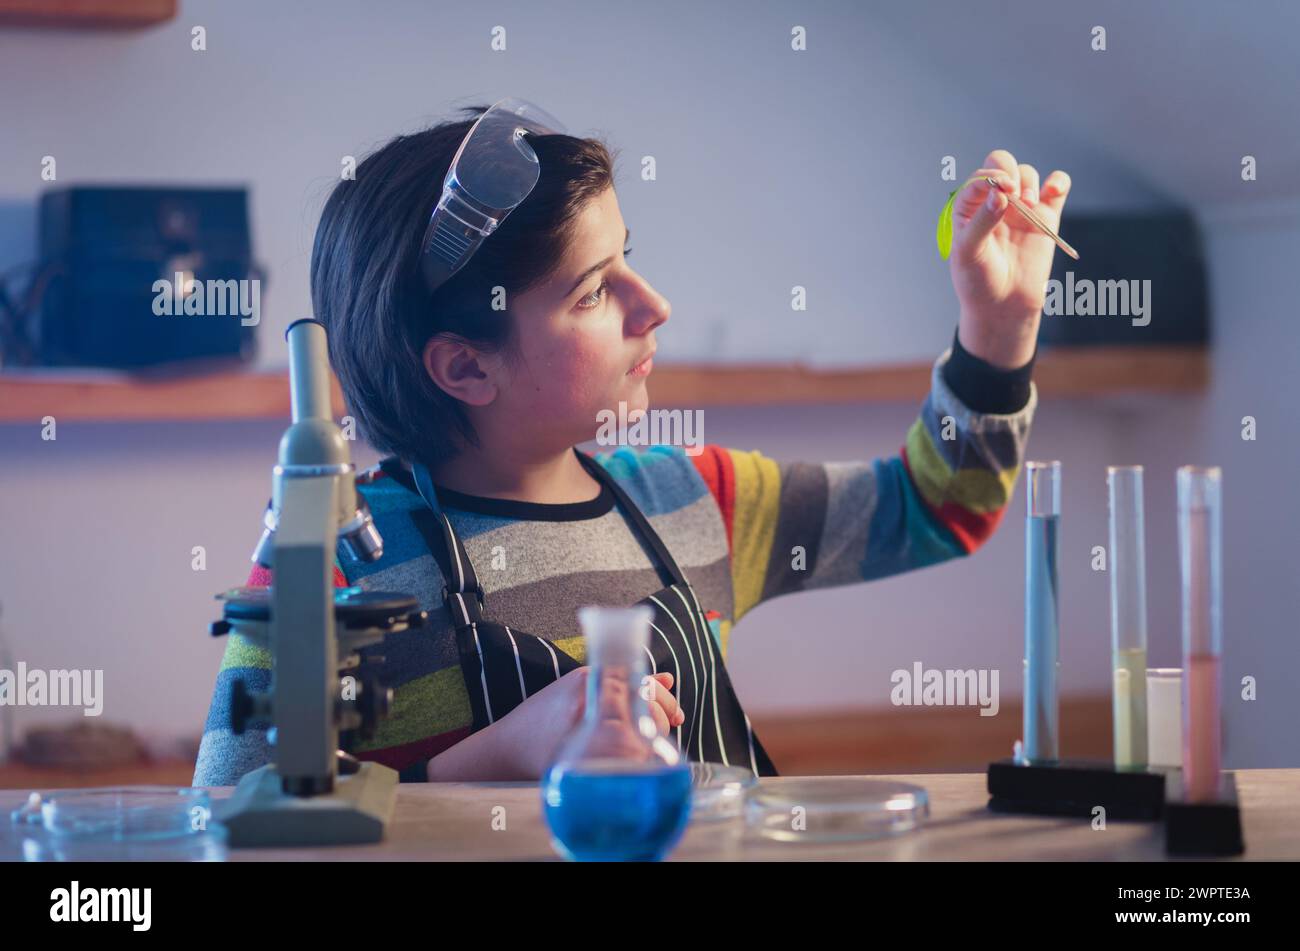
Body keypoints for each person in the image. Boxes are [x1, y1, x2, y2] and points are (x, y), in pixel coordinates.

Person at [192, 101, 1070, 787]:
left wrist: (998, 328)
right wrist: (500, 755)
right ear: (464, 365)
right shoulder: (334, 559)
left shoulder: (691, 498)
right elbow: (230, 821)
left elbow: (935, 507)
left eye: (630, 260)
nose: (654, 306)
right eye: (593, 291)